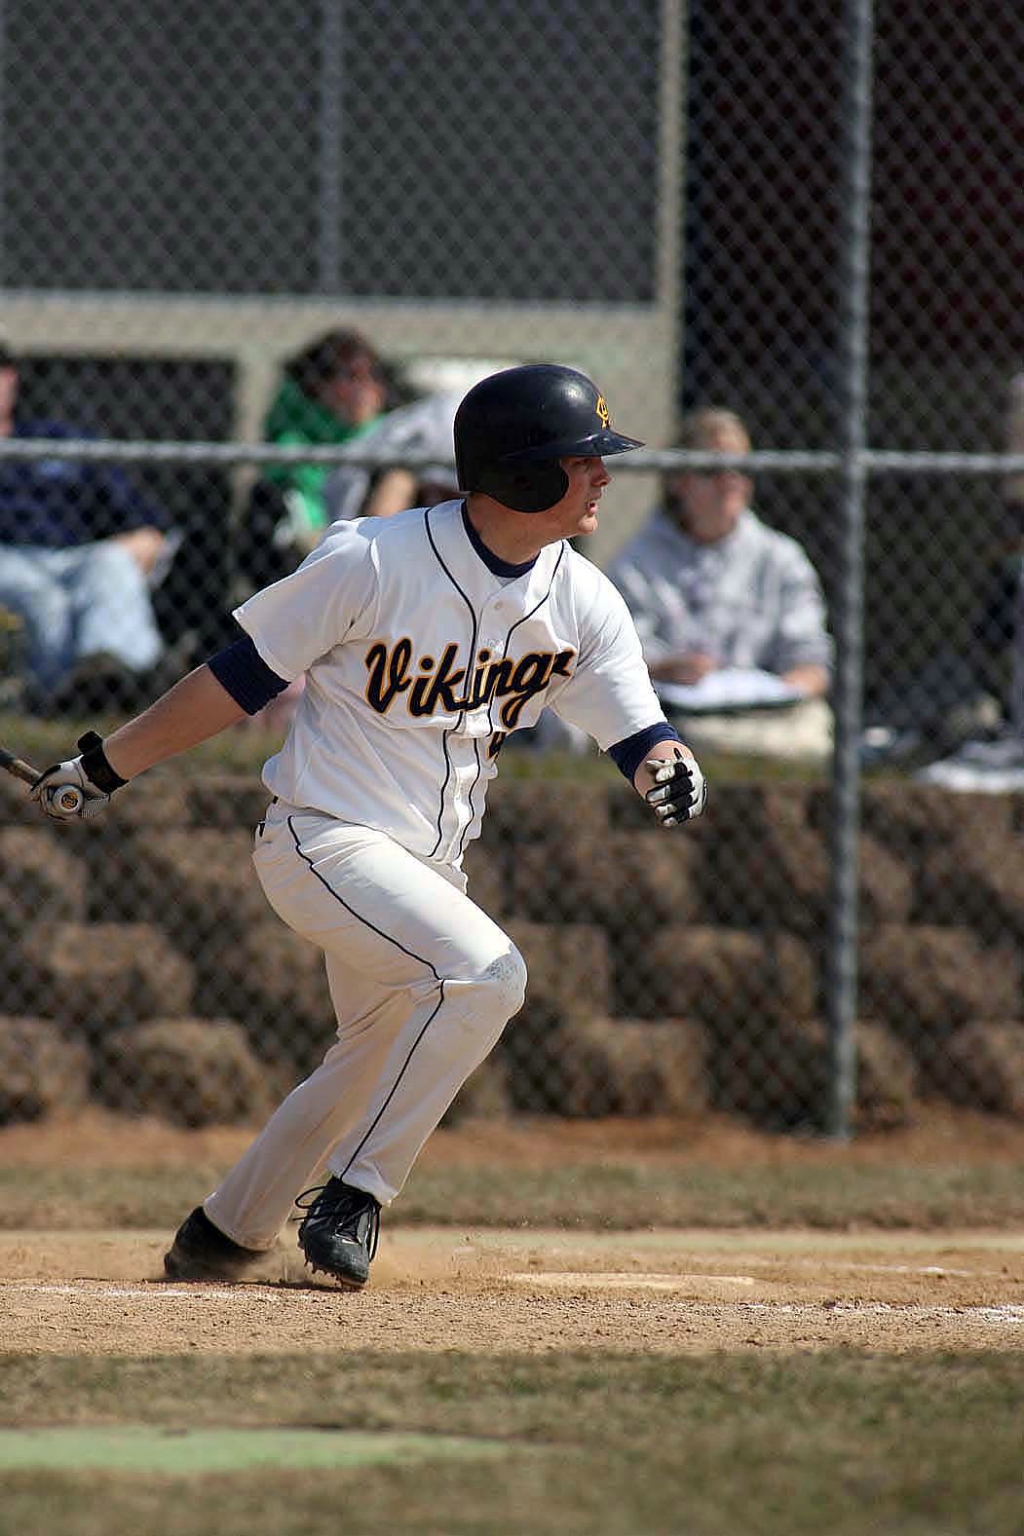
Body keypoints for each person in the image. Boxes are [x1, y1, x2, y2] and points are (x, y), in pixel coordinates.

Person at [30, 363, 707, 1292]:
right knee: (486, 973)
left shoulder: (581, 598)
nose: (602, 476)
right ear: (519, 473)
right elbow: (235, 681)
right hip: (323, 837)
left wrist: (669, 769)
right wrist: (105, 767)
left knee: (374, 1052)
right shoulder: (374, 559)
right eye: (582, 458)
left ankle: (225, 1231)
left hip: (429, 871)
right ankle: (358, 1192)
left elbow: (639, 729)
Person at [606, 407, 834, 761]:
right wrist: (668, 668)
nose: (731, 480)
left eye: (742, 468)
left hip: (766, 716)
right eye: (713, 470)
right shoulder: (637, 562)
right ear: (679, 481)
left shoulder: (780, 558)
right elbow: (613, 659)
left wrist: (783, 690)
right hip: (675, 713)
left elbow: (812, 662)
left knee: (812, 730)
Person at [0, 340, 175, 712]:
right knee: (44, 597)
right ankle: (58, 697)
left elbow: (148, 528)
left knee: (109, 562)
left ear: (12, 377)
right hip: (9, 560)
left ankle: (116, 675)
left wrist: (127, 555)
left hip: (74, 558)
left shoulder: (56, 439)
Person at [237, 328, 414, 593]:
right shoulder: (289, 452)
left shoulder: (396, 443)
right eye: (352, 376)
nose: (367, 388)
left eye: (373, 376)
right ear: (317, 386)